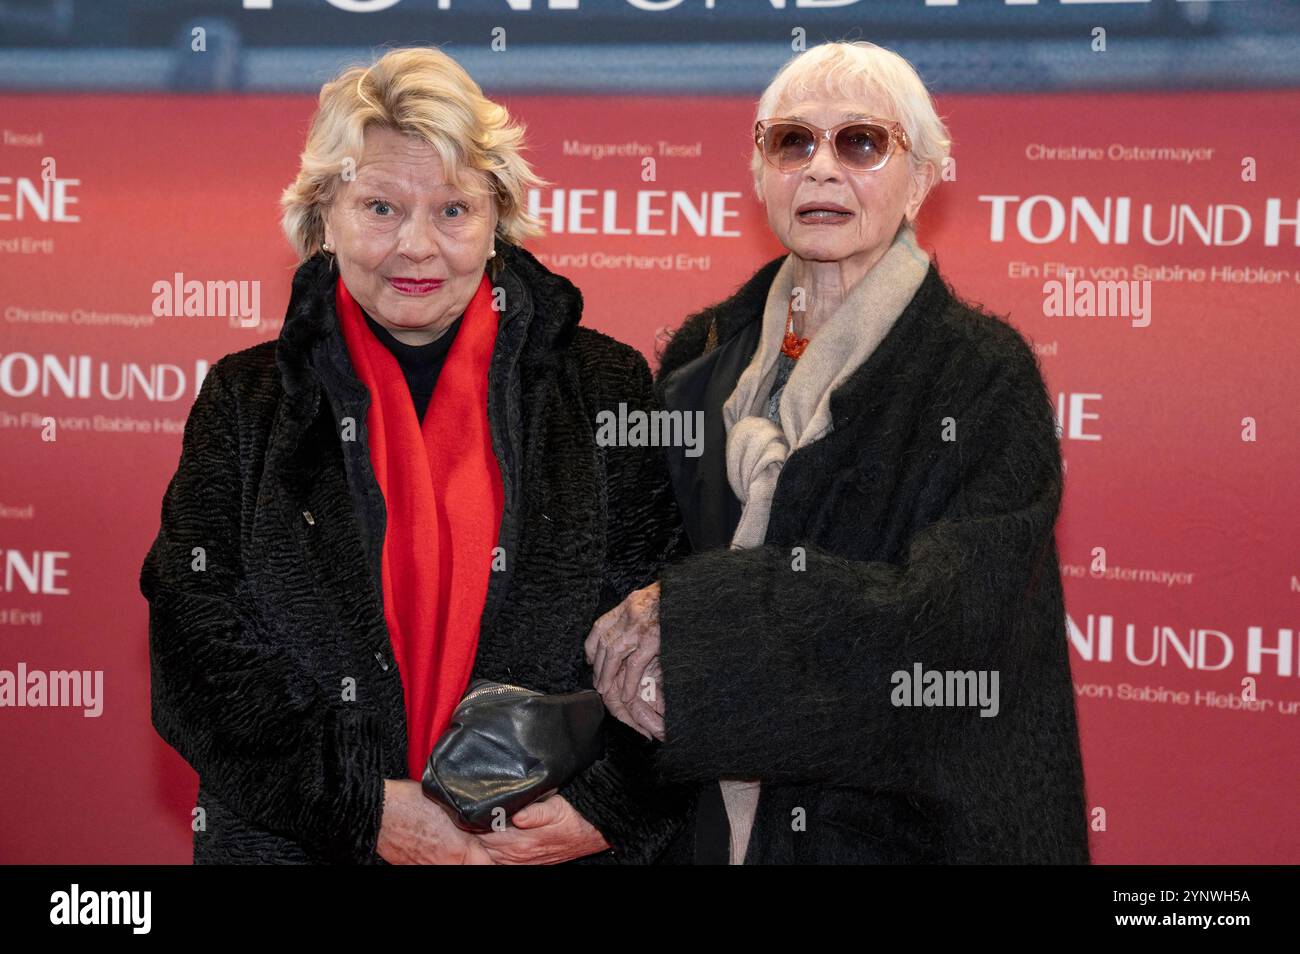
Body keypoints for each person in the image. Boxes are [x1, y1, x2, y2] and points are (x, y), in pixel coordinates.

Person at [141, 47, 690, 864]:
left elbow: (666, 618)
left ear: (497, 214)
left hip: (545, 850)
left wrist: (605, 807)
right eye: (381, 208)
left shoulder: (601, 385)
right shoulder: (247, 399)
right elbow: (195, 637)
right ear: (323, 213)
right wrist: (362, 807)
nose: (418, 248)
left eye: (453, 210)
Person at [586, 41, 1091, 864]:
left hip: (908, 834)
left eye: (860, 142)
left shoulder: (980, 376)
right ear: (758, 171)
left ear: (922, 177)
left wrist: (689, 612)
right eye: (792, 141)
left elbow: (942, 625)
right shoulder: (701, 354)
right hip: (705, 824)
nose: (821, 169)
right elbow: (638, 567)